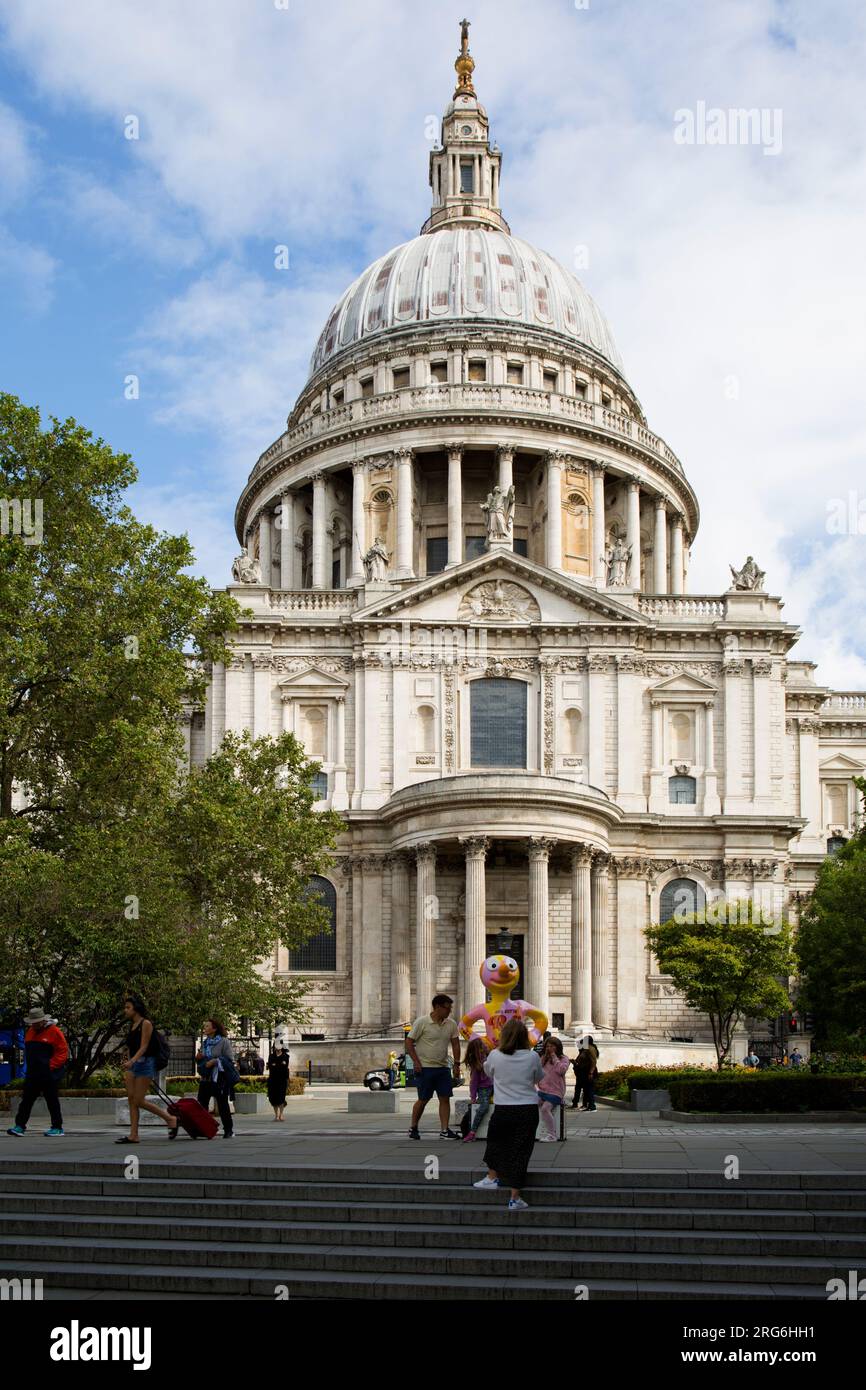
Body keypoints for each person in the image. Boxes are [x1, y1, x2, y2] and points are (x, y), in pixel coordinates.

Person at [473, 1019, 543, 1209]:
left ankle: (492, 1177)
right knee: (521, 1151)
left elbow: (488, 1072)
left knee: (495, 1143)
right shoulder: (532, 1057)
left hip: (503, 1108)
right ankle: (514, 1197)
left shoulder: (495, 1055)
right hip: (527, 1109)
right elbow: (538, 1077)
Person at [115, 996, 177, 1144]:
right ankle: (133, 1135)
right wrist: (127, 1060)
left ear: (136, 1008)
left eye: (128, 1007)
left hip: (146, 1063)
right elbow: (131, 1047)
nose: (125, 1010)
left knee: (139, 1100)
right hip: (133, 1065)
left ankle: (170, 1118)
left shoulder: (146, 1023)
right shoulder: (132, 1025)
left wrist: (132, 1061)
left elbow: (144, 1046)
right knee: (131, 1099)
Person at [405, 994, 462, 1140]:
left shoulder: (451, 1024)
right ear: (437, 1007)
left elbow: (456, 1044)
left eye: (450, 1008)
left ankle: (444, 1130)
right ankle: (413, 1127)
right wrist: (416, 1062)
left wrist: (456, 1064)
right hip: (425, 1068)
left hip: (443, 1068)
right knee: (423, 1099)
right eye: (447, 1008)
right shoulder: (422, 1022)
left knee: (445, 1098)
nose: (449, 1011)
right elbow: (409, 1042)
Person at [6, 1008, 69, 1138]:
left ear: (43, 1021)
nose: (34, 1025)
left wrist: (50, 1066)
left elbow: (63, 1052)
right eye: (32, 1022)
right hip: (33, 1073)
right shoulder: (31, 1031)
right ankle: (19, 1126)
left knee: (52, 1101)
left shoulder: (55, 1031)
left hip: (48, 1073)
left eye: (36, 1022)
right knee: (26, 1101)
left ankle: (57, 1127)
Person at [196, 1019, 236, 1138]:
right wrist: (198, 1058)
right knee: (202, 1104)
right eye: (204, 1026)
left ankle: (228, 1130)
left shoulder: (224, 1041)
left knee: (222, 1105)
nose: (204, 1028)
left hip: (219, 1078)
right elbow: (202, 1060)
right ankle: (205, 1129)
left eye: (207, 1026)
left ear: (214, 1029)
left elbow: (230, 1059)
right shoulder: (205, 1042)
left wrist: (215, 1061)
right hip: (205, 1078)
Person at [537, 1036, 570, 1140]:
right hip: (542, 1090)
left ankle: (552, 1135)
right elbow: (538, 1071)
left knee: (545, 1109)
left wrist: (554, 1057)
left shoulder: (563, 1059)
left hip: (555, 1092)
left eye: (552, 1046)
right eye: (547, 1046)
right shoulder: (544, 1058)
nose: (549, 1048)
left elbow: (561, 1071)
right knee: (529, 1104)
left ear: (557, 1047)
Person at [463, 1036, 494, 1142]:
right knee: (484, 1107)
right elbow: (473, 1083)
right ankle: (472, 1132)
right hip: (484, 1089)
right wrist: (473, 1096)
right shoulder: (477, 1065)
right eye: (483, 1044)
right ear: (479, 1050)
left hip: (493, 1087)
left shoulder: (489, 1057)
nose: (486, 1045)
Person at [571, 1036, 599, 1111]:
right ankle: (588, 1105)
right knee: (587, 1089)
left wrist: (590, 1072)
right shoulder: (586, 1049)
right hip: (584, 1071)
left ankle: (591, 1106)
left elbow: (593, 1061)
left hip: (588, 1071)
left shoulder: (590, 1049)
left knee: (589, 1089)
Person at [267, 1043, 290, 1121]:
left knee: (281, 1098)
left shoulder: (285, 1056)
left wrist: (275, 1065)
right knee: (273, 1098)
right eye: (276, 1048)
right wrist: (279, 1065)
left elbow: (285, 1067)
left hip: (282, 1080)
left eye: (279, 1048)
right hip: (273, 1080)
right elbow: (270, 1066)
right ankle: (276, 1115)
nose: (277, 1049)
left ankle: (281, 1114)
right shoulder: (271, 1056)